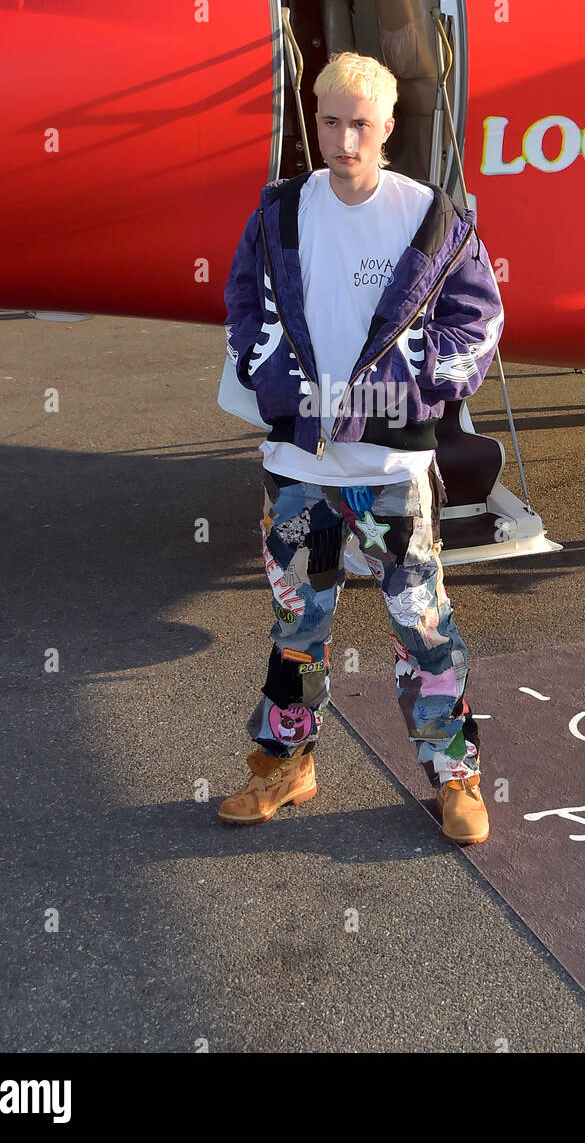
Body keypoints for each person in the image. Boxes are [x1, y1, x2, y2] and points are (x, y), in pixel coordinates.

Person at [221, 52, 504, 844]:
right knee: (298, 628)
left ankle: (456, 776)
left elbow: (478, 324)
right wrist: (268, 370)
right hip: (298, 469)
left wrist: (398, 391)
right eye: (330, 121)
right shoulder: (280, 211)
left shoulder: (428, 215)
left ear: (388, 127)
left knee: (422, 624)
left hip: (388, 471)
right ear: (316, 121)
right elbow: (243, 302)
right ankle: (287, 765)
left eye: (361, 124)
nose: (345, 140)